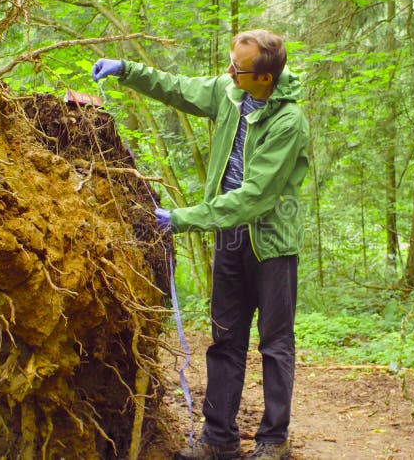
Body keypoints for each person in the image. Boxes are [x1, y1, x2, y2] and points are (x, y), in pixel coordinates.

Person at [93, 29, 309, 460]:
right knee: (225, 339)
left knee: (275, 344)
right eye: (230, 62)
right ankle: (218, 441)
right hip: (229, 239)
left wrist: (181, 219)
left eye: (239, 68)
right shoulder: (230, 93)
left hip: (271, 244)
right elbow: (177, 88)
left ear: (264, 78)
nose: (229, 72)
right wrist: (126, 71)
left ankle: (273, 441)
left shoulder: (288, 123)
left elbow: (255, 198)